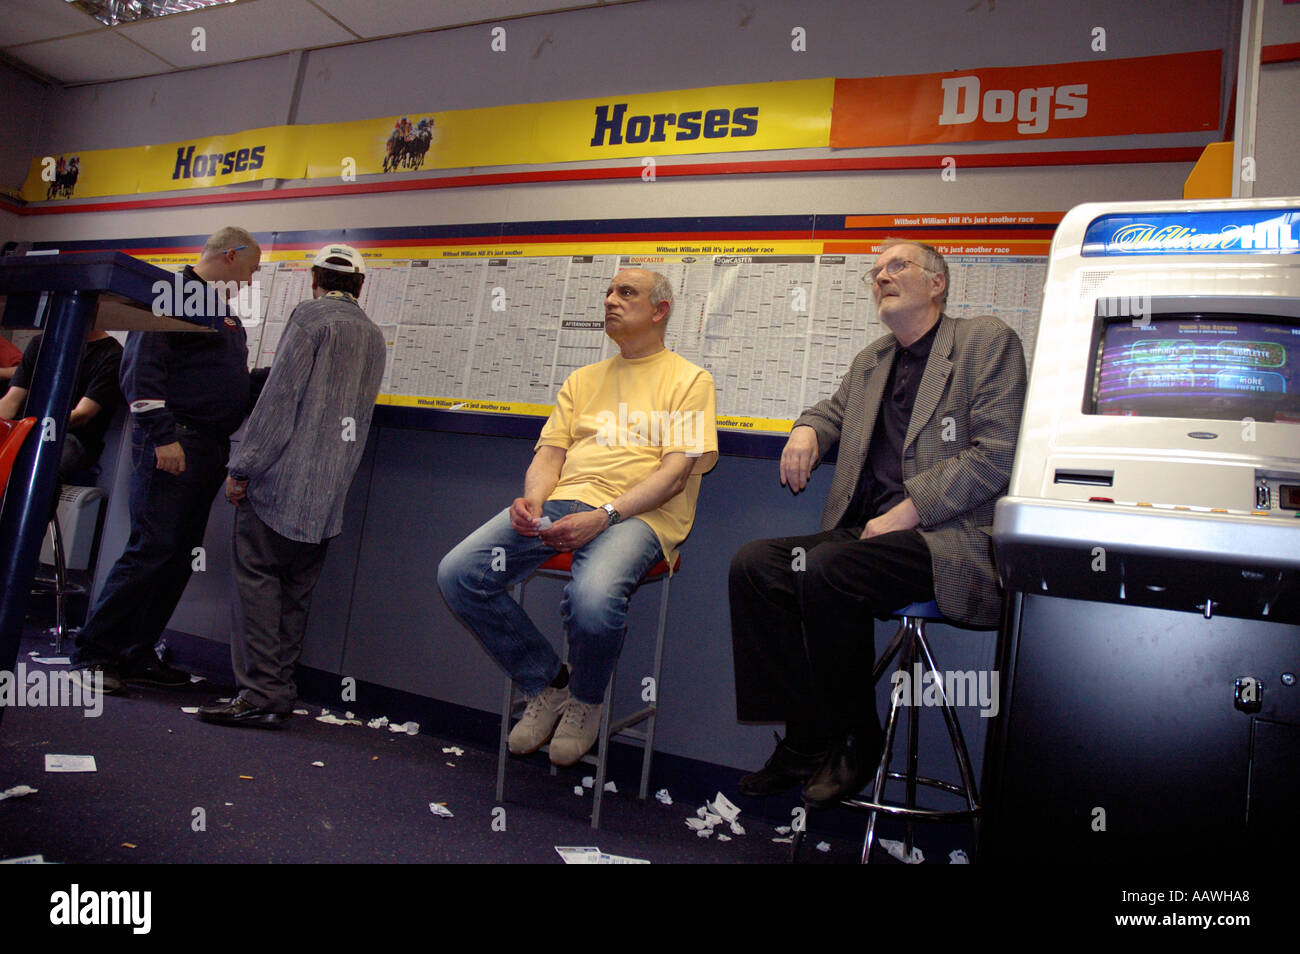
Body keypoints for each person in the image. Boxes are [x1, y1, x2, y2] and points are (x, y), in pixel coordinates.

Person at [728, 239, 1027, 808]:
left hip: (947, 540)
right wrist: (807, 430)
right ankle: (807, 735)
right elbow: (831, 410)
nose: (881, 277)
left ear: (937, 283)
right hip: (867, 538)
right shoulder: (873, 358)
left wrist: (909, 509)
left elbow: (998, 454)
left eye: (897, 266)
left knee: (827, 567)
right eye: (876, 271)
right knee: (755, 565)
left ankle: (856, 737)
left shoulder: (984, 340)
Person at [438, 268, 717, 766]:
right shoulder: (583, 379)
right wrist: (532, 502)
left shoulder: (691, 380)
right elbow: (549, 455)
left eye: (625, 293)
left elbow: (675, 475)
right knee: (460, 574)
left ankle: (586, 701)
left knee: (592, 600)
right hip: (565, 505)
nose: (610, 300)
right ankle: (550, 683)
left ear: (660, 310)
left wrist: (606, 514)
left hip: (641, 517)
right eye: (608, 292)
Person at [198, 244, 386, 729]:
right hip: (327, 498)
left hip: (282, 485)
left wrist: (243, 467)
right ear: (360, 286)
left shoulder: (310, 319)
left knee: (258, 586)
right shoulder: (373, 334)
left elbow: (279, 402)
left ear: (313, 280)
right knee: (295, 595)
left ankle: (260, 695)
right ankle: (278, 689)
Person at [72, 227, 262, 695]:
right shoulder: (171, 296)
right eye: (252, 269)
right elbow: (140, 371)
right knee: (151, 549)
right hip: (173, 441)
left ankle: (135, 654)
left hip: (207, 446)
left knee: (176, 556)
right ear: (231, 255)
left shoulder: (215, 309)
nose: (252, 280)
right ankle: (92, 653)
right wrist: (162, 438)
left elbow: (217, 378)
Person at [0, 330, 124, 480]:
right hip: (26, 427)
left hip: (71, 436)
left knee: (38, 468)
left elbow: (82, 414)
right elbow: (12, 400)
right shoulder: (41, 343)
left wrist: (30, 431)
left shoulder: (112, 354)